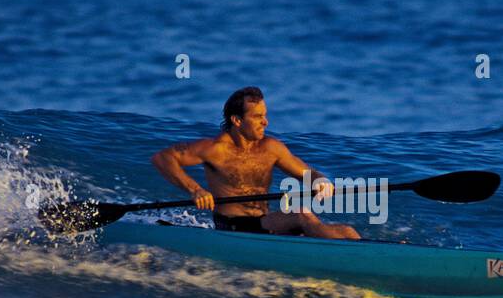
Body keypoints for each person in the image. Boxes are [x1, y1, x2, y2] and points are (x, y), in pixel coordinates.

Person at [151, 87, 360, 238]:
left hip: (263, 224)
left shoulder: (270, 148)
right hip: (232, 228)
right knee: (301, 214)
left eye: (265, 115)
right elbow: (163, 158)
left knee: (347, 232)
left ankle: (362, 251)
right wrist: (195, 189)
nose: (265, 122)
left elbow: (308, 173)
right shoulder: (215, 149)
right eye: (258, 117)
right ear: (237, 120)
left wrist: (320, 180)